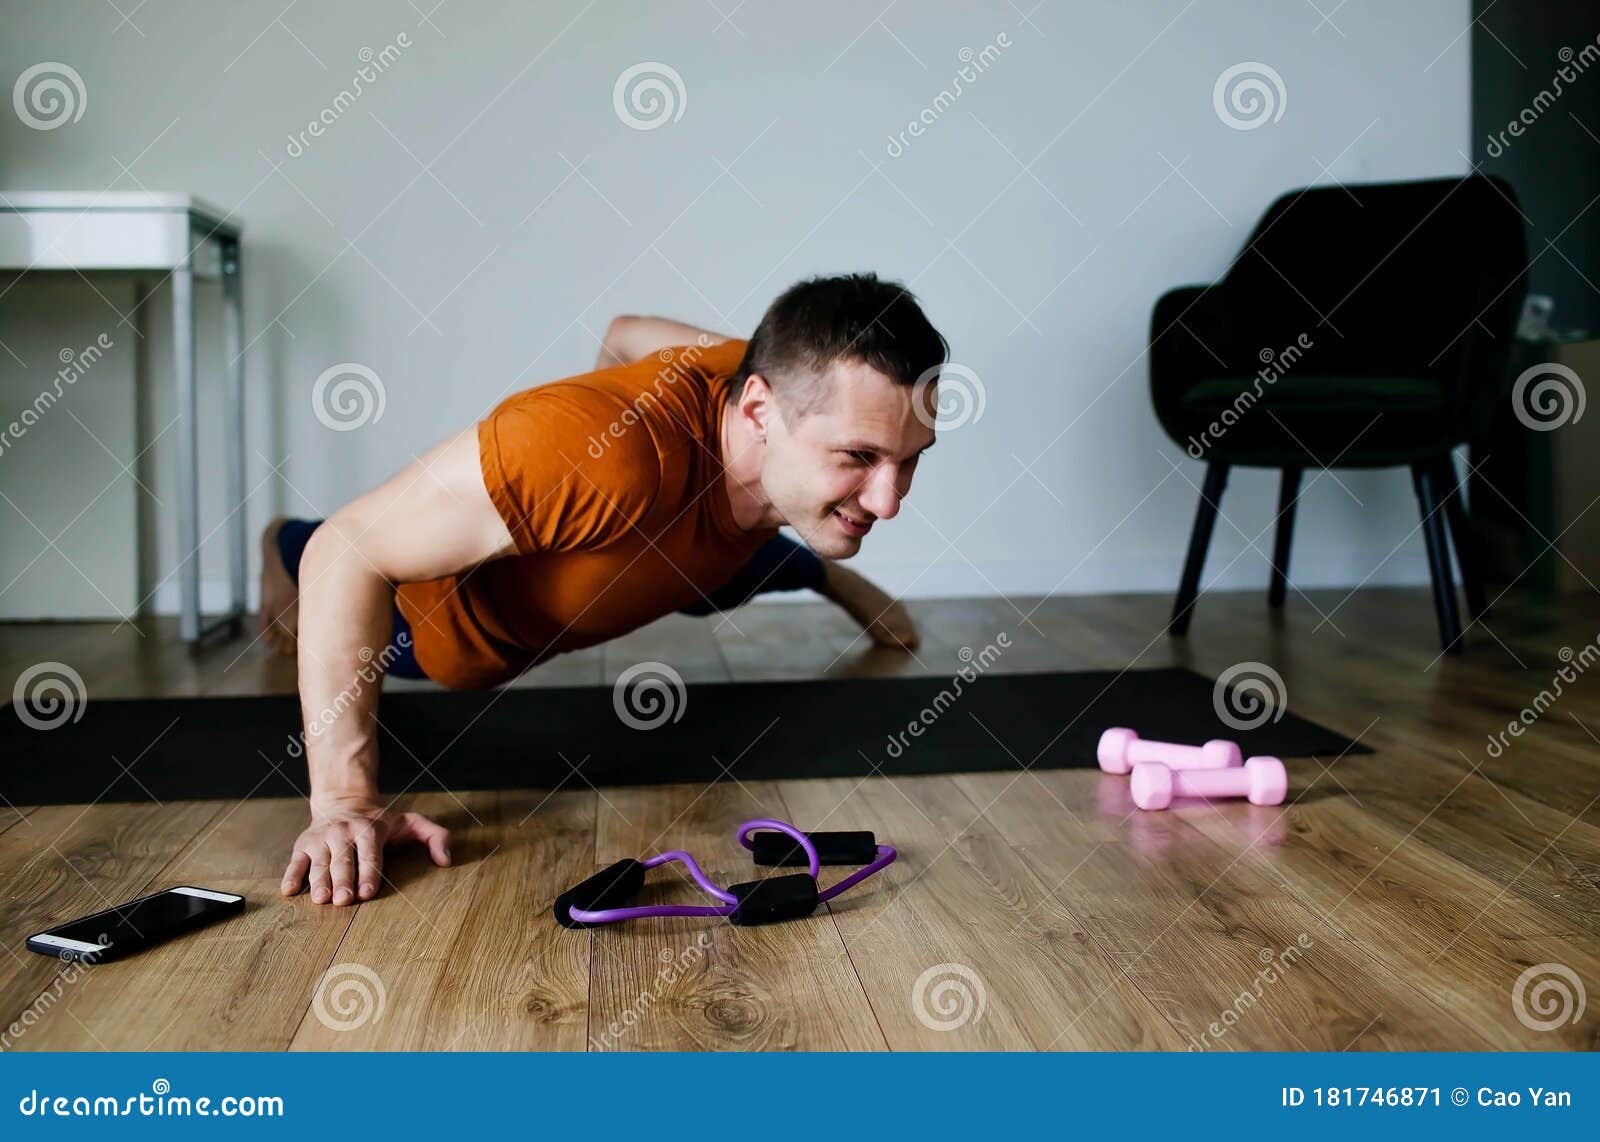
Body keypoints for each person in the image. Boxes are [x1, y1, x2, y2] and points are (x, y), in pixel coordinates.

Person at [273, 271, 948, 906]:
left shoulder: (780, 370)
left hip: (699, 542)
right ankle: (277, 542)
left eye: (912, 459)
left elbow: (626, 330)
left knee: (737, 563)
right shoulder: (592, 453)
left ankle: (828, 573)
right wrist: (344, 805)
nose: (890, 501)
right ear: (759, 410)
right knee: (324, 553)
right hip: (437, 631)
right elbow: (348, 548)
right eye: (859, 457)